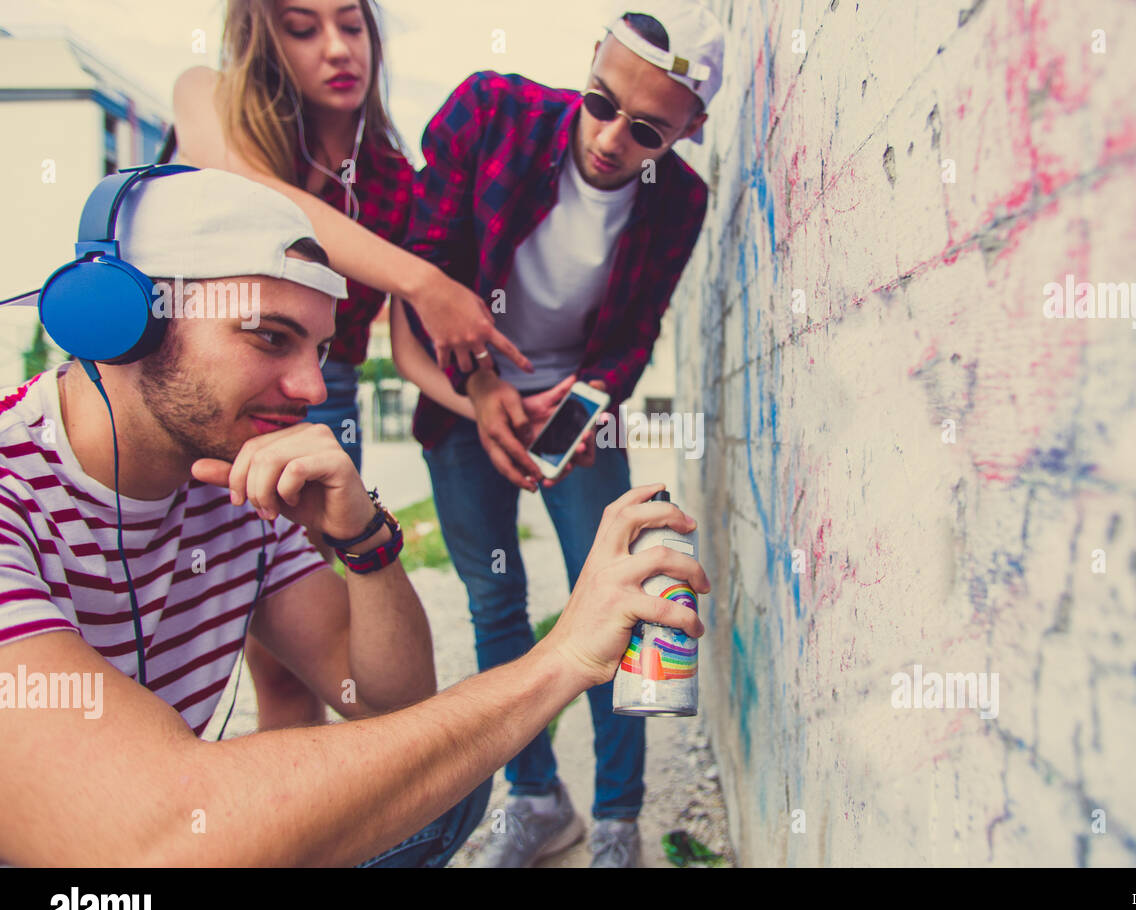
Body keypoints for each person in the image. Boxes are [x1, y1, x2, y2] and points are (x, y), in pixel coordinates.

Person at [0, 168, 708, 867]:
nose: (312, 387)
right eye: (271, 338)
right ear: (123, 324)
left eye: (321, 351)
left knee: (438, 782)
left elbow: (385, 703)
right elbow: (149, 843)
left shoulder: (239, 474)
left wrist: (364, 537)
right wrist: (559, 661)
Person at [395, 1, 724, 867]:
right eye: (601, 102)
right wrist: (482, 390)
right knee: (496, 602)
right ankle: (537, 798)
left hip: (576, 415)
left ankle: (618, 818)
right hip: (463, 401)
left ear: (690, 129)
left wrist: (584, 403)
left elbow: (633, 335)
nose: (614, 138)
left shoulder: (679, 199)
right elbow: (425, 271)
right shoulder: (489, 113)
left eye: (649, 131)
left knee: (627, 600)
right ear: (589, 67)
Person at [169, 0, 528, 731]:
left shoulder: (396, 179)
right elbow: (244, 187)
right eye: (303, 28)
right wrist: (424, 280)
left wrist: (482, 406)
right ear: (264, 40)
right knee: (262, 655)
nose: (338, 48)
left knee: (316, 647)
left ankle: (328, 822)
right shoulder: (207, 100)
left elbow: (405, 349)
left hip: (327, 400)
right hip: (219, 390)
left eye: (351, 24)